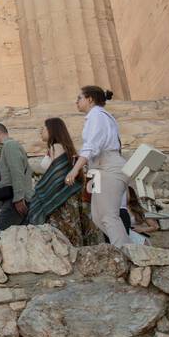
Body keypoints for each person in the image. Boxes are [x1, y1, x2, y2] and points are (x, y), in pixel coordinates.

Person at [66, 86, 130, 246]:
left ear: (90, 99)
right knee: (97, 216)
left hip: (109, 167)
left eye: (79, 98)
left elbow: (92, 146)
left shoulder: (97, 115)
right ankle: (127, 247)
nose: (76, 101)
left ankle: (126, 253)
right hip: (100, 170)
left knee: (108, 215)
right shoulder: (96, 116)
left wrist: (75, 169)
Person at [27, 118, 100, 246]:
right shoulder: (60, 147)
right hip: (64, 196)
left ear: (52, 130)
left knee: (64, 234)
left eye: (44, 128)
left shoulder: (56, 146)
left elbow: (57, 175)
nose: (41, 130)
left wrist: (41, 189)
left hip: (60, 199)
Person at [0, 122, 33, 230]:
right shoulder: (6, 147)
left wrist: (19, 198)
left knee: (1, 234)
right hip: (13, 199)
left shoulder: (10, 145)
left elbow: (17, 172)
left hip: (15, 201)